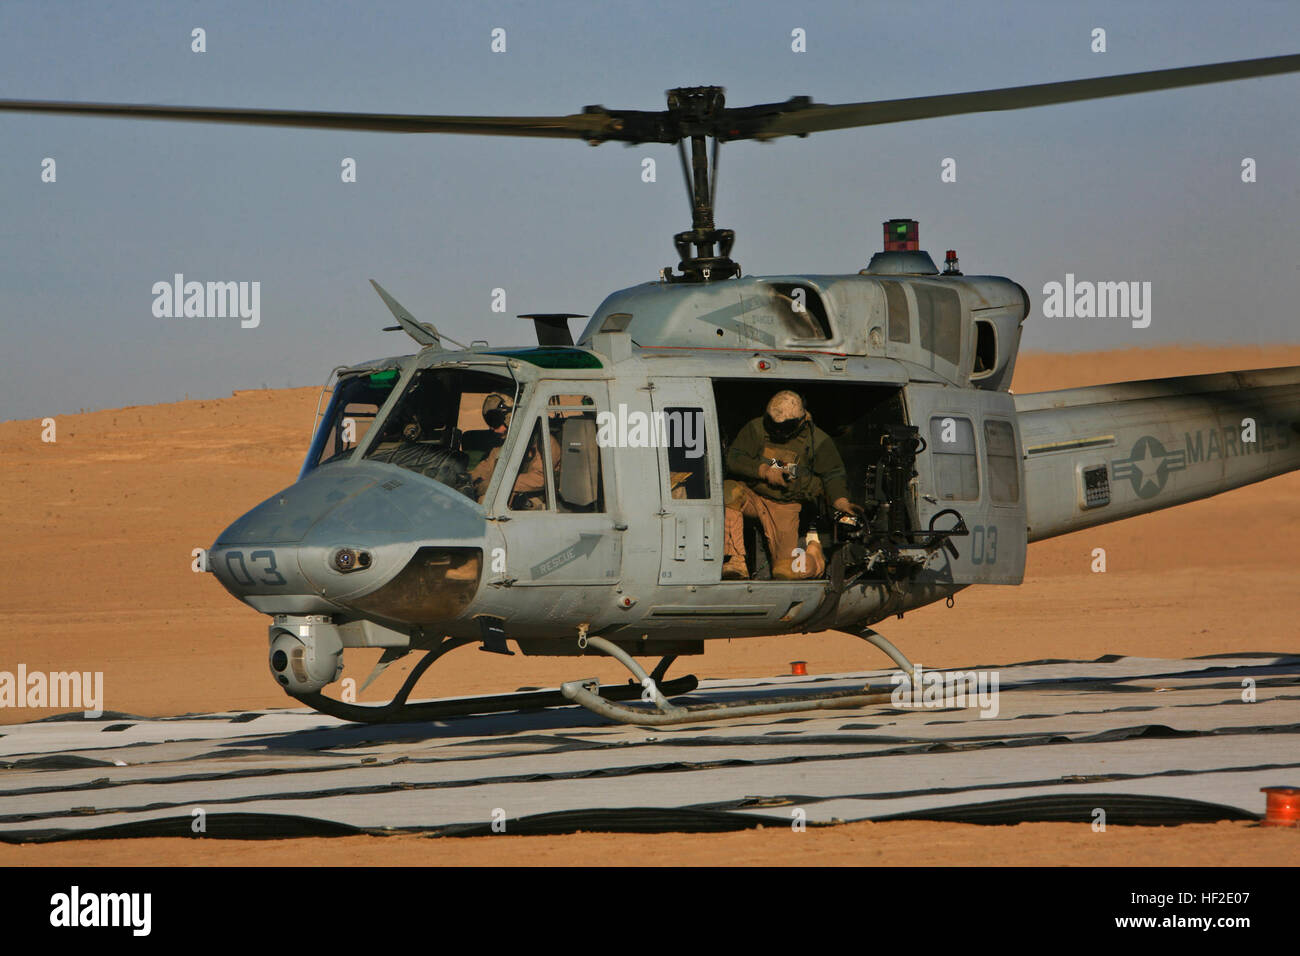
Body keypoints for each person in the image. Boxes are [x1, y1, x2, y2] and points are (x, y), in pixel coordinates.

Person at [723, 389, 861, 580]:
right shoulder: (756, 428)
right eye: (772, 424)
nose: (777, 431)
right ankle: (736, 561)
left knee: (786, 571)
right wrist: (764, 471)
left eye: (783, 427)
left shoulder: (818, 441)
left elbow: (833, 474)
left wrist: (840, 501)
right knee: (729, 491)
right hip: (755, 497)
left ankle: (816, 557)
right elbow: (734, 458)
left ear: (800, 422)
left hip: (785, 507)